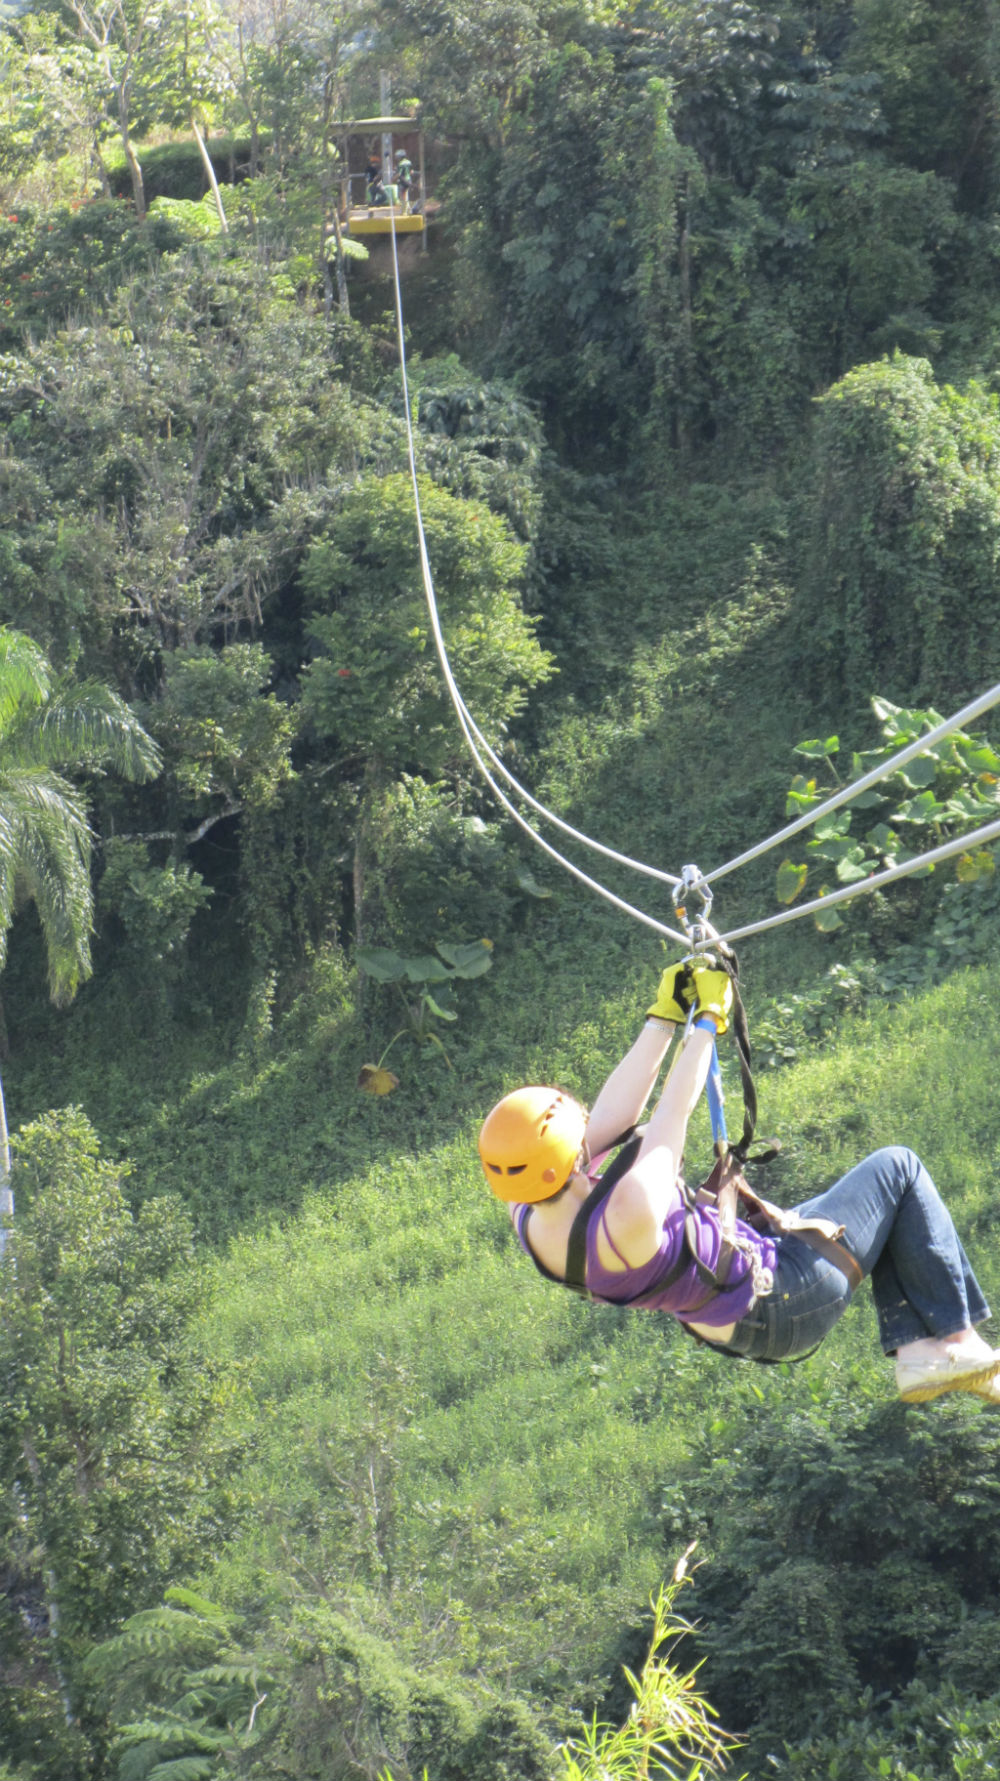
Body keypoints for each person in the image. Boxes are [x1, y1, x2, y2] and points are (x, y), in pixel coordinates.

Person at [478, 957, 1000, 1405]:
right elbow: (670, 1118)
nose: (588, 1130)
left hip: (738, 1311)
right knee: (898, 1170)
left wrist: (663, 1016)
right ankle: (957, 1339)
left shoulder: (528, 1210)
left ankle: (916, 1353)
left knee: (869, 1215)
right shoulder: (630, 1211)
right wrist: (707, 1020)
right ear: (566, 1161)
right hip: (782, 1300)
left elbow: (610, 1123)